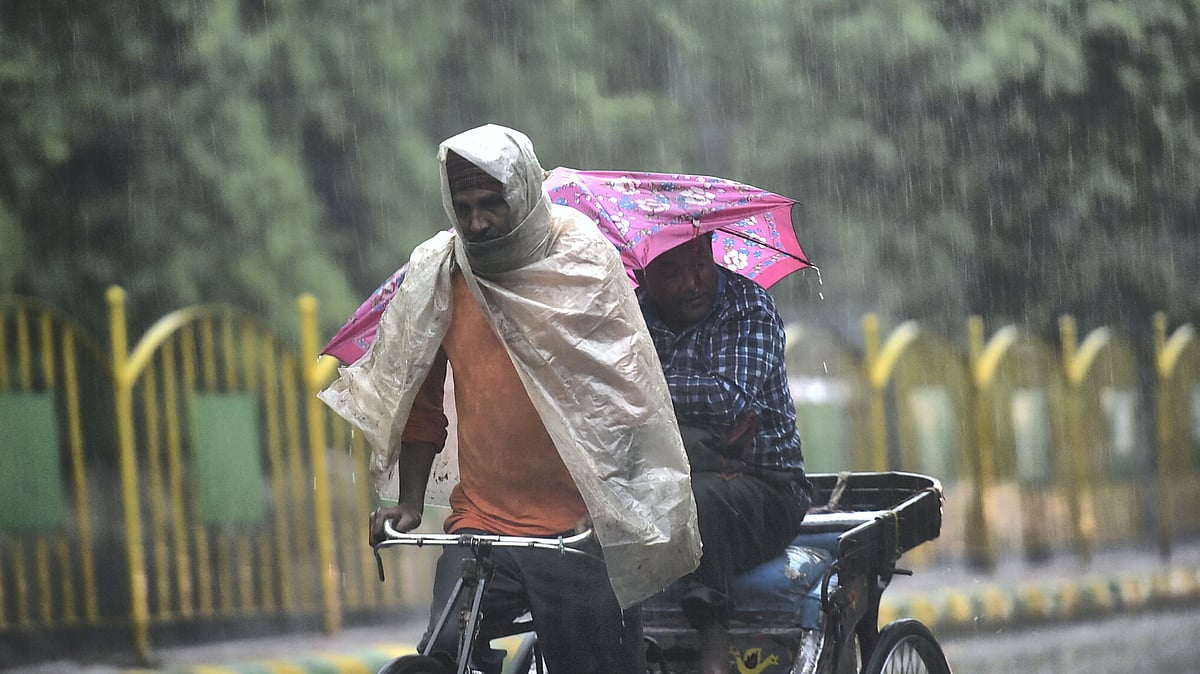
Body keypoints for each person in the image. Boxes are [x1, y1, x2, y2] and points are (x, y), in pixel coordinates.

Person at [318, 124, 700, 673]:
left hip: (580, 530)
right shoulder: (441, 272)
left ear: (521, 194)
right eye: (464, 207)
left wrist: (608, 508)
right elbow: (420, 404)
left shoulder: (580, 259)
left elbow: (626, 399)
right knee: (442, 654)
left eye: (490, 204)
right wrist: (409, 503)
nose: (476, 222)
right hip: (482, 524)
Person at [634, 232, 813, 674]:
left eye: (700, 264)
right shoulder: (631, 313)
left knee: (698, 498)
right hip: (665, 478)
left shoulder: (749, 308)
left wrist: (640, 391)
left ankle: (713, 641)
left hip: (766, 490)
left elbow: (725, 399)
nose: (692, 283)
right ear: (643, 273)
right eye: (672, 272)